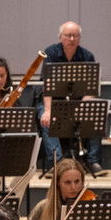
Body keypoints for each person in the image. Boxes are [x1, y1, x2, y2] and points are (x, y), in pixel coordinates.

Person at [41, 22, 102, 175]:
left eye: (75, 35)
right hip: (54, 102)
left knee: (95, 113)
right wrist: (48, 110)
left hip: (78, 102)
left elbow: (91, 88)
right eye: (68, 35)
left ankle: (93, 160)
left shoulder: (87, 56)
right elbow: (47, 86)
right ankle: (58, 163)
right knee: (45, 117)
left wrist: (83, 106)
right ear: (61, 37)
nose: (72, 38)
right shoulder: (51, 52)